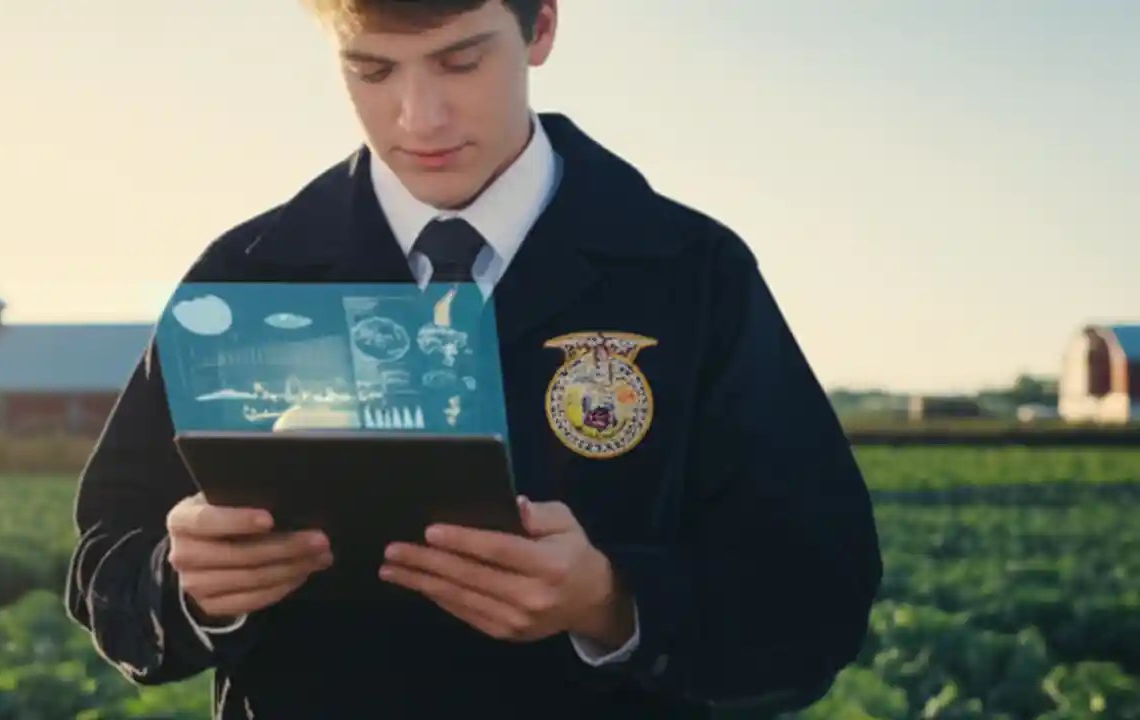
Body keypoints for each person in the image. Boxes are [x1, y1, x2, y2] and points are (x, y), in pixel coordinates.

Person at [63, 1, 883, 718]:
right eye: (372, 69)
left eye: (461, 60)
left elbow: (816, 599)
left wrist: (612, 603)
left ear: (543, 27)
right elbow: (108, 569)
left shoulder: (690, 273)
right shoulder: (241, 277)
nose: (418, 119)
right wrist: (187, 585)